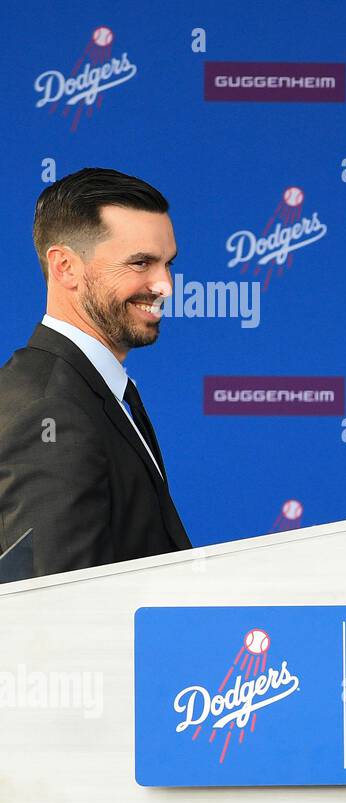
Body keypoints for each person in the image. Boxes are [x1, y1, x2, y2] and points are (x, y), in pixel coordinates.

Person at [0, 167, 189, 580]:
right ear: (65, 266)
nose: (165, 287)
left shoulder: (88, 389)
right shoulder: (52, 408)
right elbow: (59, 611)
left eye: (167, 264)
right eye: (141, 263)